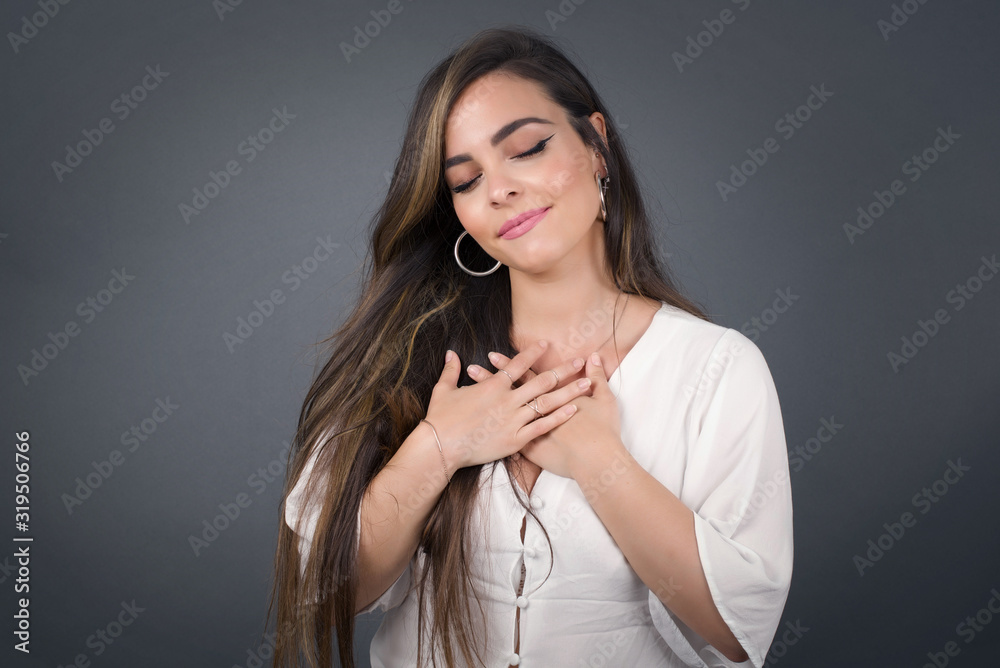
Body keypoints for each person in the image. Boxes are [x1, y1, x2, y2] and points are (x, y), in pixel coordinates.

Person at [269, 25, 793, 668]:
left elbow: (737, 629)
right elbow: (329, 588)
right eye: (465, 181)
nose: (498, 189)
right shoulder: (411, 358)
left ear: (597, 145)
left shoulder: (716, 369)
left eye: (526, 149)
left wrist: (602, 461)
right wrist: (439, 448)